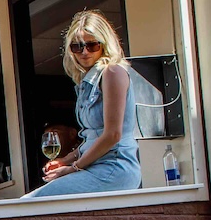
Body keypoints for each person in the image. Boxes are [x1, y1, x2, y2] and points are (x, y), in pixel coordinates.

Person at [26, 11, 142, 199]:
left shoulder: (112, 72)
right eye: (77, 47)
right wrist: (65, 160)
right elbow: (92, 137)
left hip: (114, 167)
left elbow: (113, 135)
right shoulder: (86, 81)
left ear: (104, 44)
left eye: (92, 45)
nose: (85, 52)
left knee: (32, 203)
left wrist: (73, 168)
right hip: (94, 166)